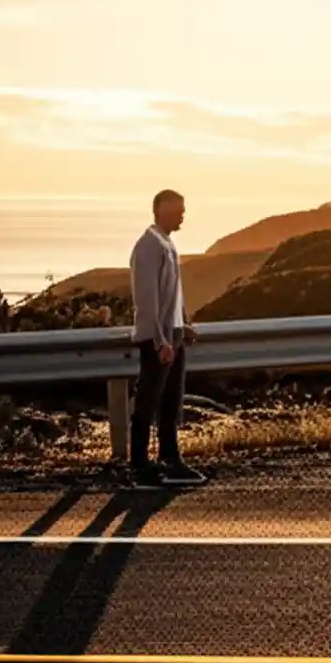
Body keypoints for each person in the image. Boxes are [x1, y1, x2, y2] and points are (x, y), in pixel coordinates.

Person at [127, 189, 206, 486]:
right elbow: (146, 300)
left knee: (172, 401)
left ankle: (170, 460)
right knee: (149, 400)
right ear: (161, 209)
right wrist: (161, 341)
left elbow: (170, 296)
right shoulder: (149, 245)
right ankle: (140, 465)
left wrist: (181, 326)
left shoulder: (166, 243)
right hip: (158, 338)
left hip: (172, 335)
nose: (183, 215)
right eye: (178, 209)